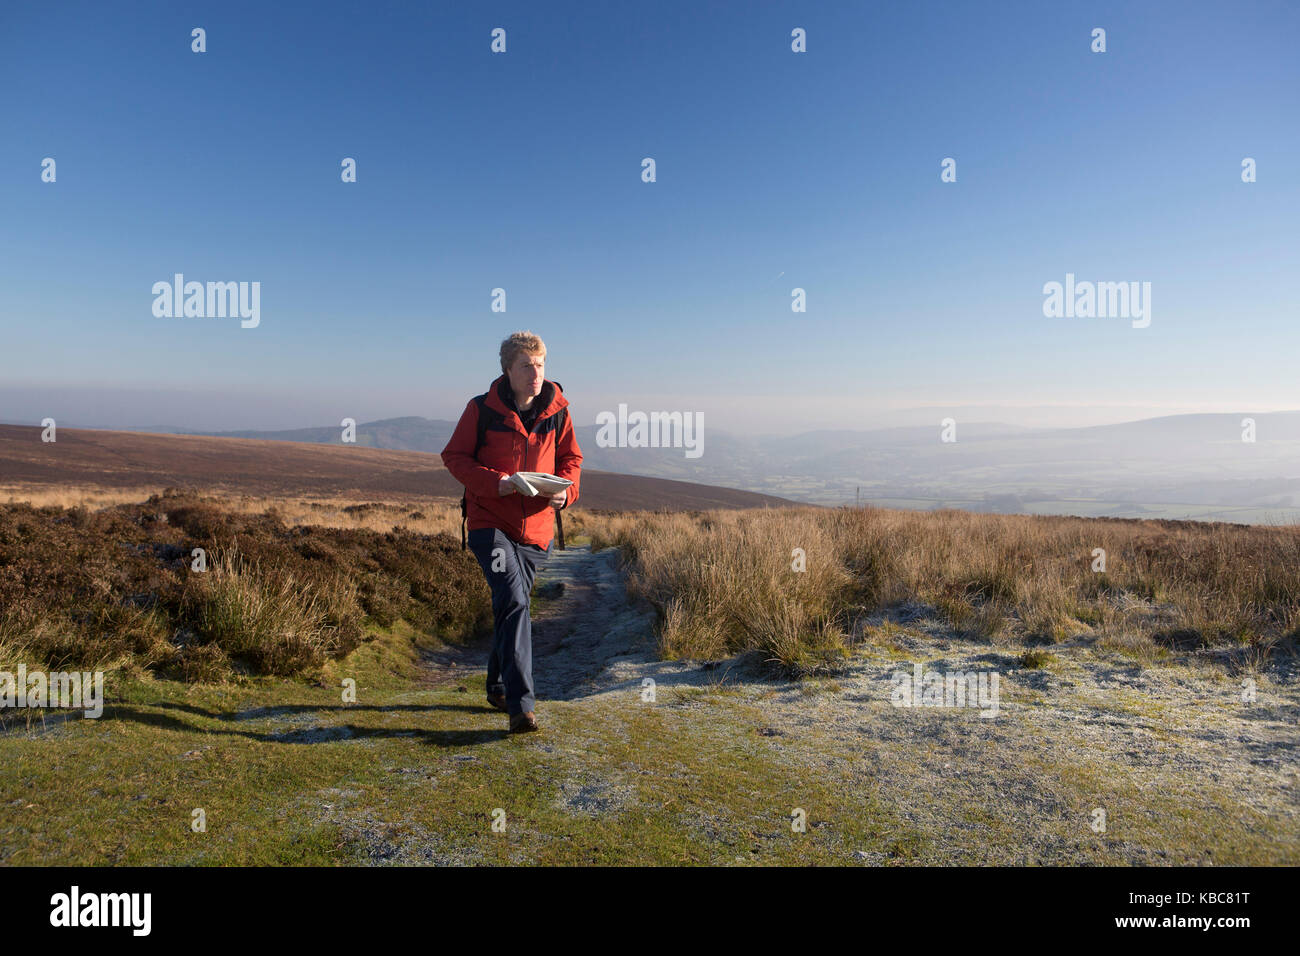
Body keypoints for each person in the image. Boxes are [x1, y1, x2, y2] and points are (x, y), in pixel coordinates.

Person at [440, 331, 582, 733]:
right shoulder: (481, 409)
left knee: (510, 606)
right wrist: (496, 482)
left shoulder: (558, 411)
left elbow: (571, 458)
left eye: (540, 365)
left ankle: (498, 684)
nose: (535, 373)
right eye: (526, 365)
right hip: (490, 524)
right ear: (508, 369)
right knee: (516, 600)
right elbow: (454, 456)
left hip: (537, 531)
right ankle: (522, 707)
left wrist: (566, 494)